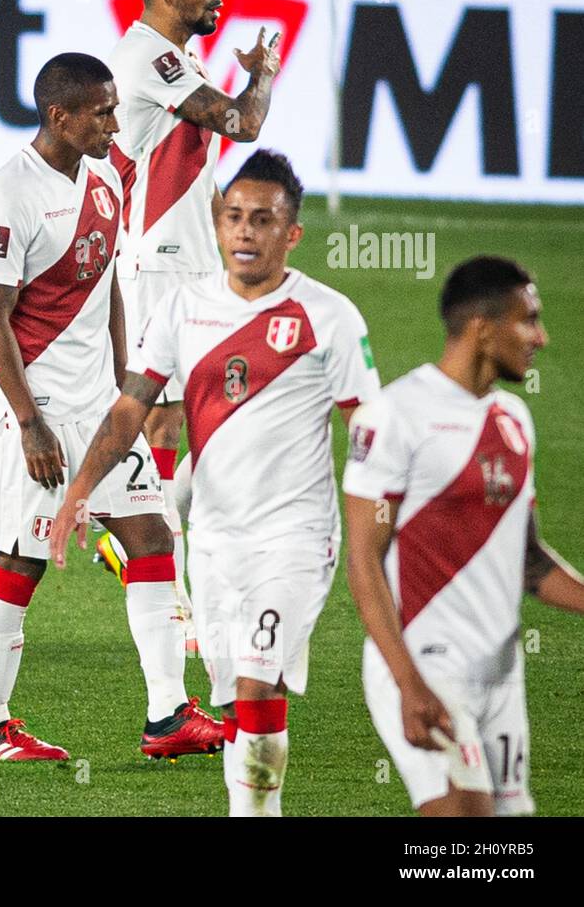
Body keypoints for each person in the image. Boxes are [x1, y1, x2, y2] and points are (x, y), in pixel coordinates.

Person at [50, 150, 381, 814]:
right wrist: (79, 491)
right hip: (215, 540)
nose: (244, 232)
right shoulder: (183, 307)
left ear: (292, 233)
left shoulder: (330, 317)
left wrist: (387, 523)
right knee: (236, 699)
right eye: (233, 216)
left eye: (263, 219)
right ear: (217, 221)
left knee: (259, 685)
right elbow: (130, 407)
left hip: (295, 535)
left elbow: (371, 429)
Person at [0, 52, 220, 762]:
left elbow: (108, 286)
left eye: (114, 108)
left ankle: (168, 713)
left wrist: (122, 384)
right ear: (59, 117)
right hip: (35, 404)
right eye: (101, 112)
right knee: (23, 557)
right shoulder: (9, 194)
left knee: (152, 535)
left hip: (98, 401)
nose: (114, 123)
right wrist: (28, 420)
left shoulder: (105, 177)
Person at [343, 256, 584, 816]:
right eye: (529, 320)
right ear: (482, 327)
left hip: (499, 676)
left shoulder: (514, 420)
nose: (542, 338)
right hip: (424, 665)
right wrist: (409, 684)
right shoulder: (395, 415)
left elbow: (529, 564)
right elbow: (363, 561)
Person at [99, 0, 282, 673]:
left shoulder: (180, 54)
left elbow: (197, 162)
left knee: (171, 420)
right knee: (161, 420)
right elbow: (239, 122)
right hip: (154, 266)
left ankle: (139, 545)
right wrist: (261, 74)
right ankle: (153, 564)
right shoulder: (147, 56)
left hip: (189, 266)